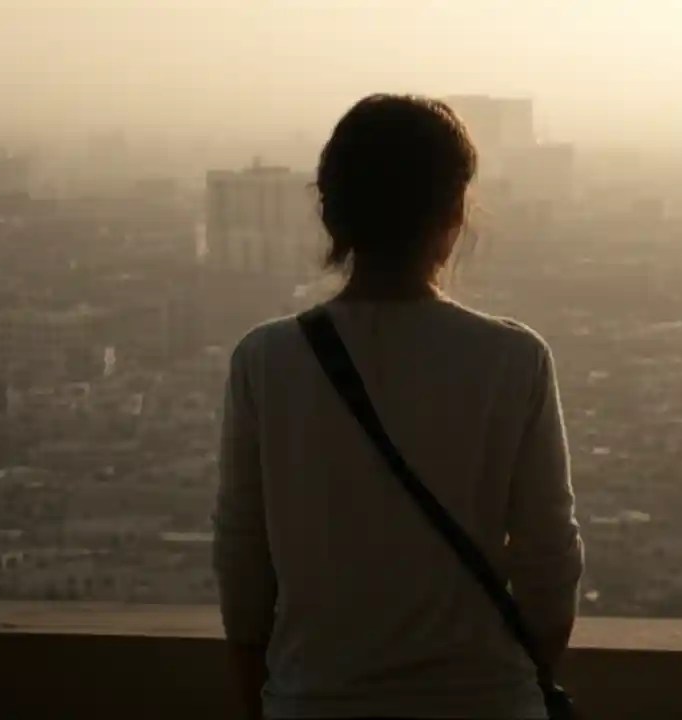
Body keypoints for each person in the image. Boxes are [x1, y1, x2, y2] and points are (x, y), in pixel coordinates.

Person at [213, 94, 584, 720]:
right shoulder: (513, 361)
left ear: (334, 216)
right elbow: (551, 561)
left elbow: (244, 560)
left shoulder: (266, 362)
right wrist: (511, 682)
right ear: (454, 213)